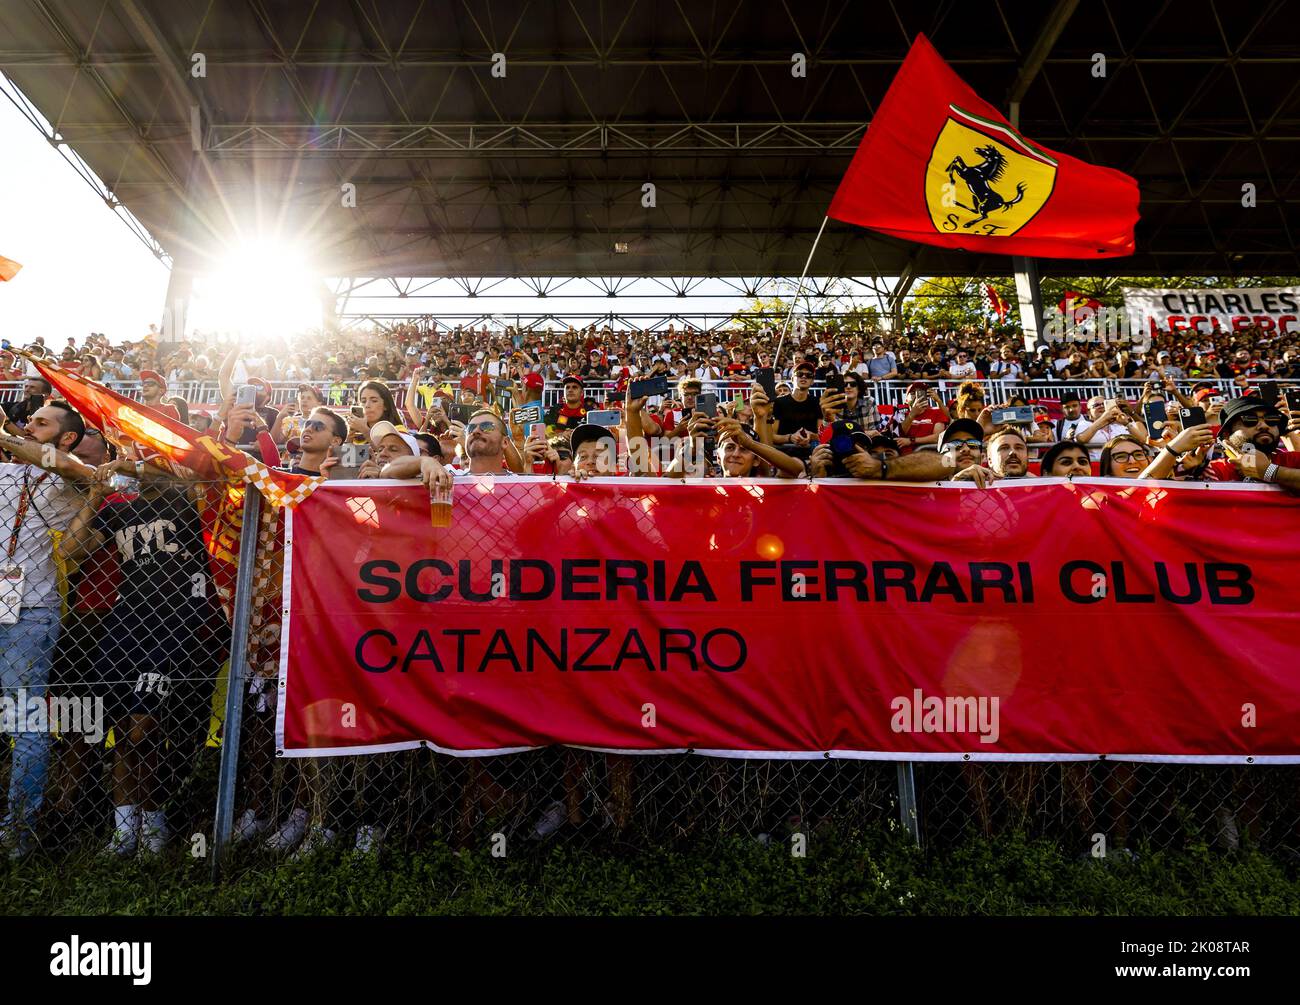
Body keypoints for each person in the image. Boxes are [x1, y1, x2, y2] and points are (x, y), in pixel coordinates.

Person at [59, 456, 224, 856]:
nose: (136, 464)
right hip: (124, 625)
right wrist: (96, 493)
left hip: (175, 627)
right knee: (120, 728)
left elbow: (214, 486)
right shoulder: (119, 509)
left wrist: (136, 467)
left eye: (146, 457)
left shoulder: (188, 501)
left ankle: (154, 820)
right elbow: (71, 549)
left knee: (143, 728)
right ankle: (124, 828)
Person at [0, 401, 94, 857]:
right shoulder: (7, 470)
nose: (28, 425)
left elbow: (68, 467)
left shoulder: (67, 474)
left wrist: (5, 435)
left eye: (41, 422)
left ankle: (19, 830)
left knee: (25, 721)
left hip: (31, 611)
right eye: (28, 419)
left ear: (67, 437)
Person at [771, 360, 821, 447]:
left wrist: (811, 435)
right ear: (792, 379)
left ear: (812, 381)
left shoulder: (817, 402)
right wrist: (790, 437)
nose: (804, 377)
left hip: (810, 452)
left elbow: (823, 436)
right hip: (785, 452)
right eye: (799, 374)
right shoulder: (779, 402)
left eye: (809, 375)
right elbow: (771, 436)